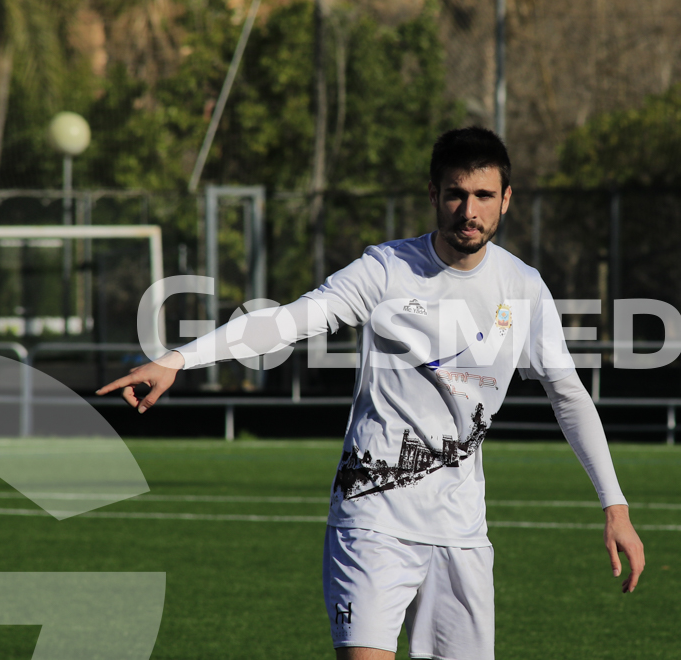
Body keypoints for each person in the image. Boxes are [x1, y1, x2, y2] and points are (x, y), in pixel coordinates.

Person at [97, 127, 644, 660]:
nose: (468, 210)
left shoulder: (523, 287)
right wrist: (178, 358)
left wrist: (614, 507)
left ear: (507, 200)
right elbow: (286, 324)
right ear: (434, 194)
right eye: (455, 193)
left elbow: (567, 394)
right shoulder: (386, 270)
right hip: (371, 521)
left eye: (482, 196)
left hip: (463, 535)